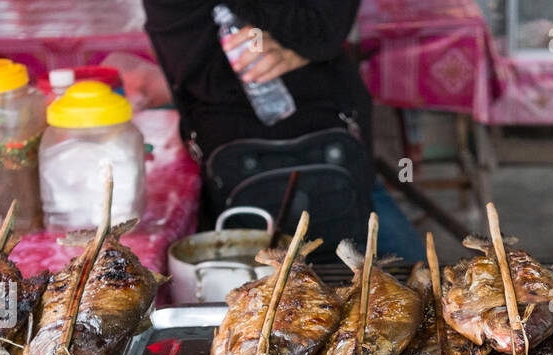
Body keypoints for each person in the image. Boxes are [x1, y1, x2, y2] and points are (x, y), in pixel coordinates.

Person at [140, 1, 425, 259]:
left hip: (339, 152)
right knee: (267, 296)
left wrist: (301, 46)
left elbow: (325, 30)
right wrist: (303, 45)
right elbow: (319, 33)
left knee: (411, 282)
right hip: (239, 172)